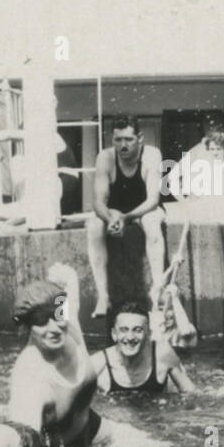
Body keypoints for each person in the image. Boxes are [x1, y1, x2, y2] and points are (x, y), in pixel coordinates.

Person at [8, 270, 169, 447]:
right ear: (27, 327)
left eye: (58, 316)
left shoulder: (70, 330)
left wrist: (69, 276)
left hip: (94, 431)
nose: (54, 328)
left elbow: (70, 294)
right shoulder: (29, 383)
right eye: (41, 321)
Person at [88, 116, 165, 315]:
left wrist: (126, 217)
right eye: (118, 140)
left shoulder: (152, 155)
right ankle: (103, 297)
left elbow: (153, 200)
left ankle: (158, 290)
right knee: (94, 227)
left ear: (140, 138)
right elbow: (98, 202)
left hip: (144, 209)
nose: (123, 145)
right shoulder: (105, 157)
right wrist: (111, 218)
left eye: (128, 140)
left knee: (152, 224)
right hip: (115, 211)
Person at [92, 300, 194, 395]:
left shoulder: (163, 356)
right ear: (114, 334)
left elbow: (192, 395)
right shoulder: (98, 365)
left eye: (137, 330)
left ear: (148, 334)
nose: (130, 337)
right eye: (124, 330)